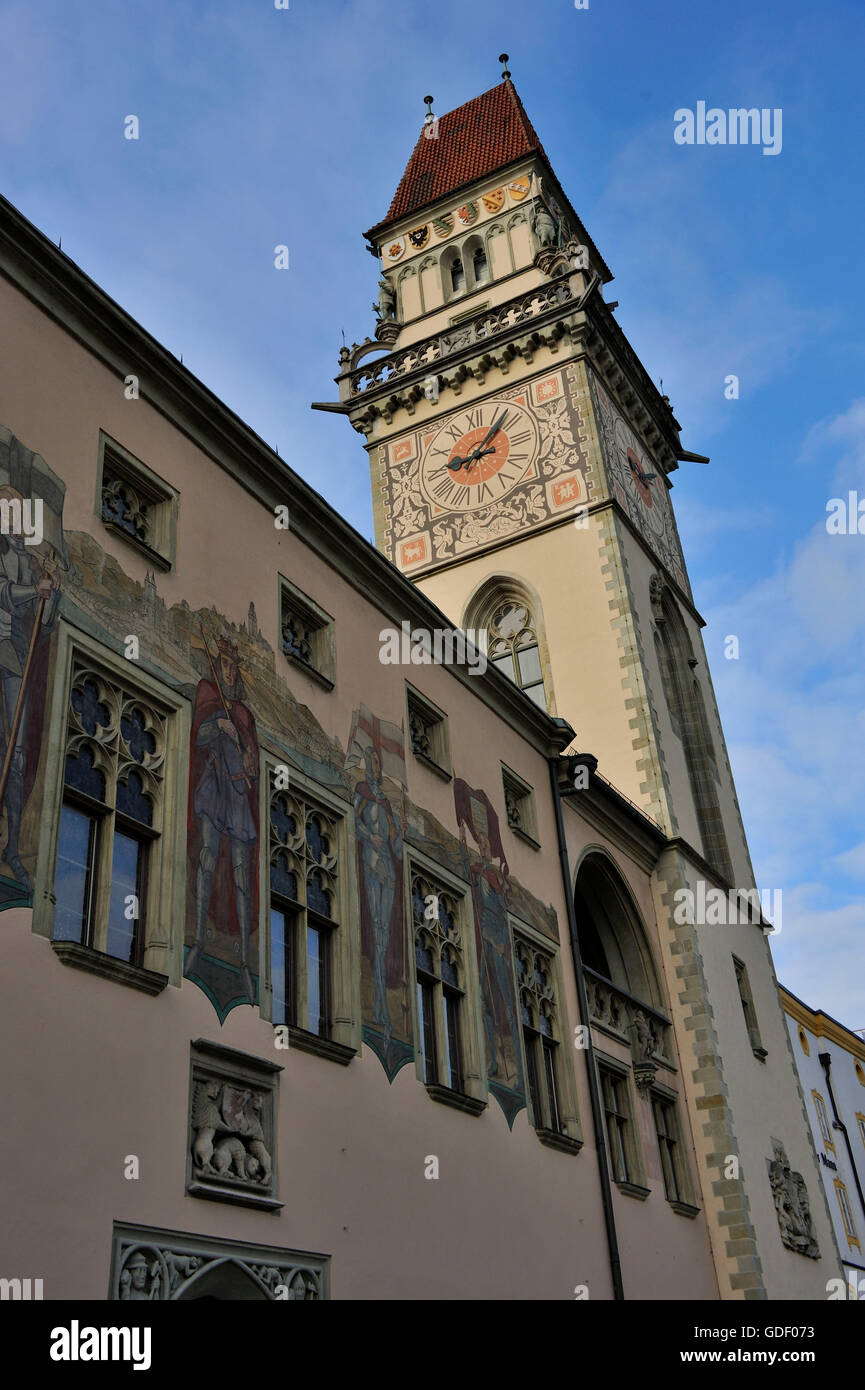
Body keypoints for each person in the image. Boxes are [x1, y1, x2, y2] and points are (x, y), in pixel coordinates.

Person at [186, 638, 259, 1002]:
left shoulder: (244, 714)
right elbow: (197, 735)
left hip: (238, 795)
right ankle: (198, 940)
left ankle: (245, 961)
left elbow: (253, 764)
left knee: (243, 874)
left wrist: (248, 759)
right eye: (225, 665)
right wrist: (220, 728)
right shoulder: (207, 692)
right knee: (208, 859)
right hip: (214, 786)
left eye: (234, 667)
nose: (229, 671)